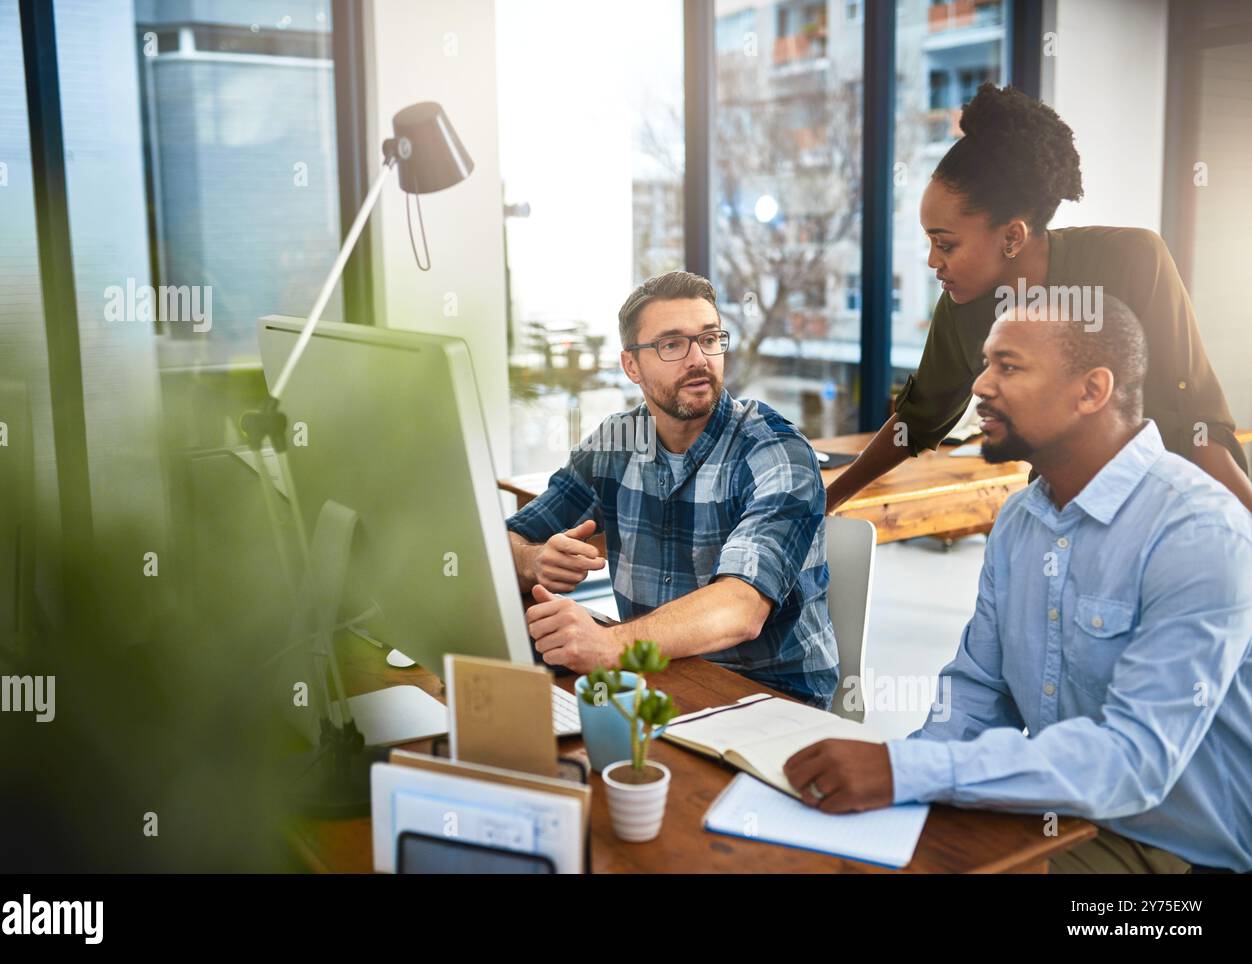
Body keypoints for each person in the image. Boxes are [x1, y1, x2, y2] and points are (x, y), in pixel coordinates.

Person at [782, 297, 1252, 874]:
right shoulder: (1021, 518)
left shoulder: (1198, 531)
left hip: (1179, 854)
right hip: (1051, 815)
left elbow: (1135, 761)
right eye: (985, 363)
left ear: (1091, 391)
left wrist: (908, 773)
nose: (980, 385)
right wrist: (903, 783)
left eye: (1008, 366)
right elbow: (979, 692)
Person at [825, 83, 1252, 514]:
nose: (933, 261)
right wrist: (828, 500)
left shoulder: (1134, 261)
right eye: (930, 243)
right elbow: (916, 423)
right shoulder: (961, 308)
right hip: (1060, 512)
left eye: (947, 245)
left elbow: (1199, 423)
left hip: (1174, 506)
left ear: (1012, 236)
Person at [505, 270, 839, 707]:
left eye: (709, 338)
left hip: (771, 699)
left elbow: (742, 608)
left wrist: (610, 646)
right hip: (655, 680)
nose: (698, 358)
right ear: (632, 366)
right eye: (672, 344)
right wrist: (532, 560)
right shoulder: (615, 443)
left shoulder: (775, 449)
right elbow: (503, 542)